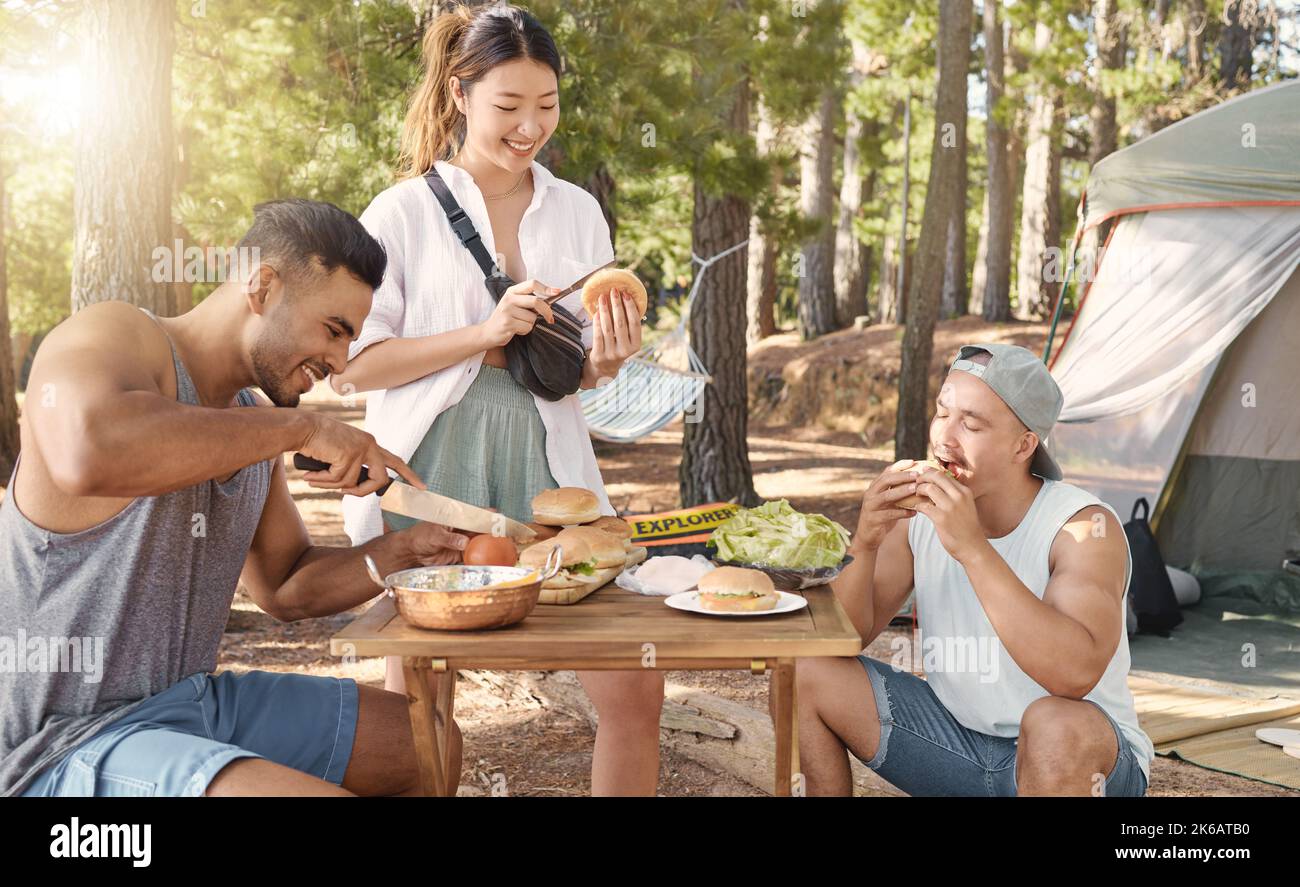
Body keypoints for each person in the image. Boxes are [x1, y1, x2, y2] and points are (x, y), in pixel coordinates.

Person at [1, 199, 467, 797]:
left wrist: (403, 553)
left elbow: (286, 585)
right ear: (263, 285)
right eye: (334, 330)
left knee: (425, 745)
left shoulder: (247, 424)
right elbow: (87, 450)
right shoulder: (112, 333)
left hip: (187, 707)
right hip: (56, 747)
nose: (340, 361)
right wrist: (300, 430)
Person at [329, 4, 663, 796]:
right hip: (430, 480)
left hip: (552, 480)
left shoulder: (578, 210)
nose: (529, 127)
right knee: (420, 709)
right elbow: (355, 366)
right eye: (508, 107)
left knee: (634, 690)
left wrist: (607, 360)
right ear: (460, 92)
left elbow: (571, 371)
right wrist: (483, 331)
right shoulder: (401, 212)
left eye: (545, 106)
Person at [795, 344, 1154, 796]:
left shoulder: (1083, 528)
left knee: (1055, 724)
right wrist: (865, 543)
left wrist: (974, 549)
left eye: (972, 424)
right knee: (805, 668)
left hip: (1079, 765)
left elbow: (1073, 675)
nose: (945, 437)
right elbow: (839, 640)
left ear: (1024, 445)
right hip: (957, 746)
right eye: (943, 413)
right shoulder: (919, 516)